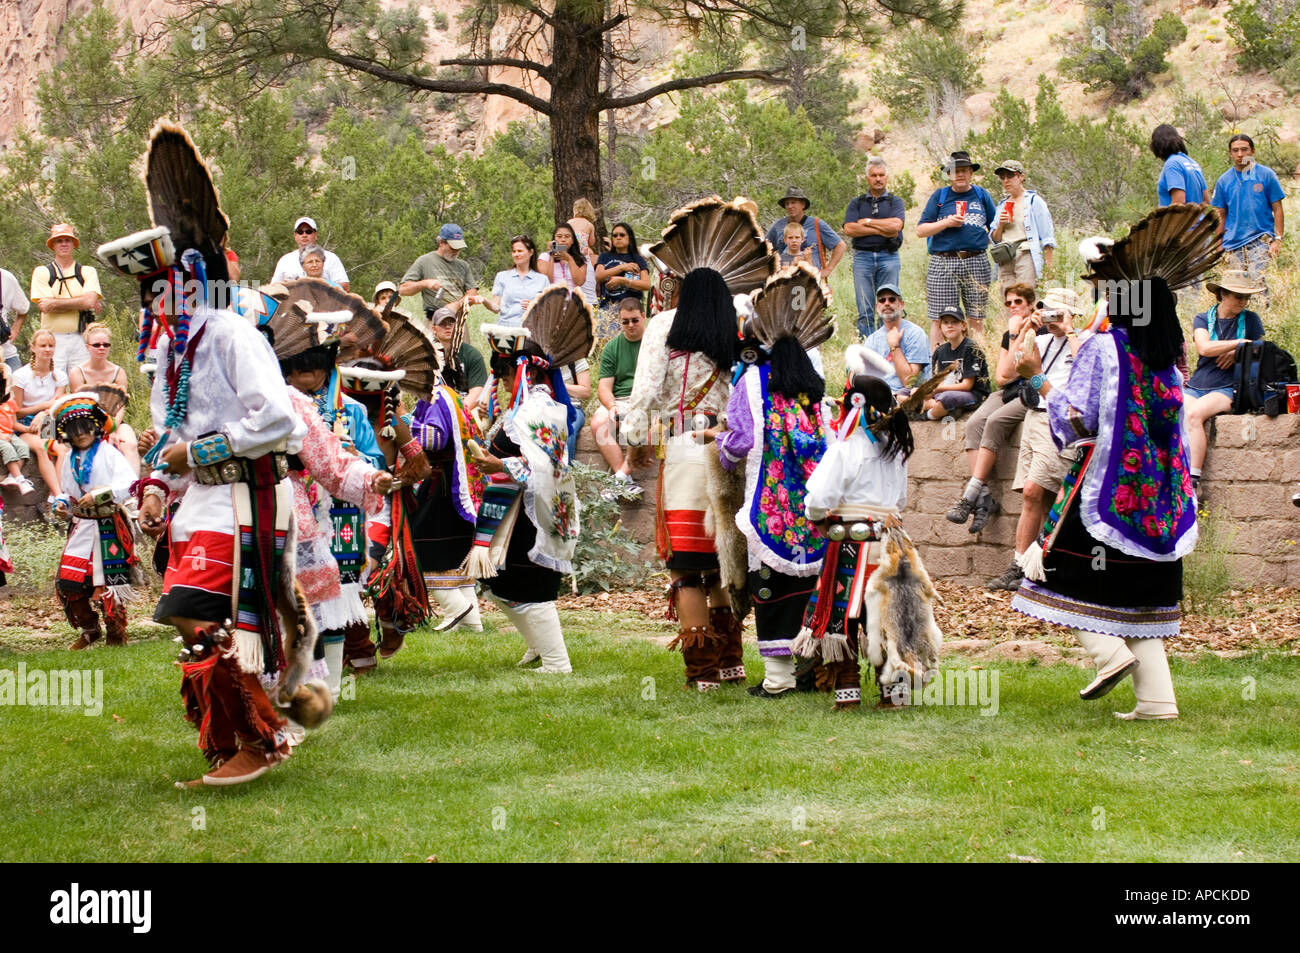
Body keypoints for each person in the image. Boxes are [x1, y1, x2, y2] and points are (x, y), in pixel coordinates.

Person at [1012, 272, 1197, 721]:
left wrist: (1036, 378)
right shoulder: (1169, 359)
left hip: (1106, 489)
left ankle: (1107, 653)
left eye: (1110, 295)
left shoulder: (1105, 347)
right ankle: (1156, 700)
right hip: (1160, 501)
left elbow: (1077, 420)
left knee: (1054, 572)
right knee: (1137, 595)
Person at [625, 268, 746, 689]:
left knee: (687, 568)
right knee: (719, 564)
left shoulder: (664, 326)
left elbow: (645, 392)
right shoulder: (735, 334)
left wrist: (634, 437)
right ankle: (731, 662)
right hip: (731, 454)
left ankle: (702, 672)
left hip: (686, 449)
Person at [462, 294, 589, 674]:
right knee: (499, 583)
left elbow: (546, 465)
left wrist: (497, 462)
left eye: (503, 374)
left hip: (533, 514)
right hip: (512, 510)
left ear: (524, 372)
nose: (499, 381)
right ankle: (538, 646)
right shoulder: (520, 408)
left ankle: (557, 662)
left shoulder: (540, 407)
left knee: (529, 584)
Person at [717, 311, 829, 699]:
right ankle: (814, 673)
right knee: (809, 589)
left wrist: (722, 454)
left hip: (771, 506)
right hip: (815, 507)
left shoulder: (752, 382)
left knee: (770, 585)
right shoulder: (813, 388)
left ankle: (778, 680)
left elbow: (740, 440)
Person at [793, 370, 912, 709]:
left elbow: (817, 498)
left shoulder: (845, 450)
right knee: (886, 615)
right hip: (890, 542)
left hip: (851, 542)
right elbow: (900, 502)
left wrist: (818, 520)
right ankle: (894, 692)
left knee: (842, 615)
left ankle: (847, 692)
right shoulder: (896, 450)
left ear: (854, 405)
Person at [987, 288, 1088, 591]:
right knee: (1035, 496)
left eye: (1058, 312)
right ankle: (1028, 565)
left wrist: (1069, 329)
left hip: (1059, 419)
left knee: (1037, 490)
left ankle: (1032, 564)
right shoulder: (1040, 340)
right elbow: (1005, 373)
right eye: (1048, 311)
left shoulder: (1084, 340)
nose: (1052, 318)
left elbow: (1085, 370)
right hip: (1035, 414)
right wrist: (1027, 330)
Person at [48, 393, 139, 650]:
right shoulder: (69, 459)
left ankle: (116, 632)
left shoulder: (109, 453)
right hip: (81, 526)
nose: (81, 434)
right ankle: (90, 630)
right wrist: (62, 503)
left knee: (110, 583)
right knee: (68, 582)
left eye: (86, 428)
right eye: (75, 431)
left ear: (96, 426)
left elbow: (131, 484)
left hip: (108, 524)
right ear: (67, 434)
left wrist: (99, 494)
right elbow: (66, 490)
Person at [946, 283, 1036, 535]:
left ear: (1030, 304)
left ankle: (970, 495)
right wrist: (1014, 335)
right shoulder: (1011, 333)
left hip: (1031, 391)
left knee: (995, 421)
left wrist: (1019, 335)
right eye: (1008, 303)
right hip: (1009, 390)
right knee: (975, 423)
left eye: (1018, 302)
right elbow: (1002, 376)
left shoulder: (1038, 331)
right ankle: (985, 498)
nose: (1013, 307)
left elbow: (1018, 372)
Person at [1183, 271, 1267, 495]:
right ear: (1223, 294)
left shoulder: (1251, 319)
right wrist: (1238, 344)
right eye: (1238, 296)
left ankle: (1193, 481)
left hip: (1230, 385)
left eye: (1246, 297)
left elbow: (1258, 350)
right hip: (1199, 382)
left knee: (1194, 415)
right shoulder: (1203, 318)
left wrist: (1239, 351)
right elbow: (1204, 348)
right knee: (1175, 414)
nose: (1243, 301)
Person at [916, 151, 997, 348]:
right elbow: (921, 230)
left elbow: (995, 229)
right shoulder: (940, 196)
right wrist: (946, 223)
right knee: (940, 319)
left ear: (971, 173)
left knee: (976, 317)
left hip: (976, 260)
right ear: (949, 174)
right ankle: (938, 366)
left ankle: (978, 364)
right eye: (955, 171)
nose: (960, 175)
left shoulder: (981, 195)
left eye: (964, 171)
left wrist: (982, 240)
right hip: (944, 261)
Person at [1211, 134, 1286, 313]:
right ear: (1230, 154)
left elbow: (1277, 208)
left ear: (1252, 151)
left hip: (1260, 239)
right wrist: (1218, 245)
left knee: (1256, 279)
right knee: (1236, 287)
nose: (1240, 154)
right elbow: (1220, 214)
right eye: (1235, 150)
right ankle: (1242, 323)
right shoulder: (1224, 180)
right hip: (1233, 242)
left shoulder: (1266, 175)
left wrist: (1278, 239)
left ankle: (1263, 318)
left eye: (1244, 149)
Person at [590, 297, 649, 496]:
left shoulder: (655, 343)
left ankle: (620, 479)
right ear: (620, 321)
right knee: (598, 423)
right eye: (625, 321)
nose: (630, 325)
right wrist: (611, 406)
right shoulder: (612, 347)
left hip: (648, 401)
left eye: (634, 320)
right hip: (621, 400)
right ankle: (626, 482)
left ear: (643, 316)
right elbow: (604, 387)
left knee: (651, 426)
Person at [843, 158, 905, 338]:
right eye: (874, 175)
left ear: (887, 177)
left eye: (881, 175)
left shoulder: (895, 202)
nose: (878, 179)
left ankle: (889, 345)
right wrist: (883, 228)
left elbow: (896, 227)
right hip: (863, 258)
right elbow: (849, 229)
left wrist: (868, 222)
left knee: (889, 304)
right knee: (865, 307)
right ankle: (868, 347)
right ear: (867, 178)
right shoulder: (857, 203)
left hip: (889, 257)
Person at [30, 223, 103, 375]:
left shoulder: (87, 272)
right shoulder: (42, 272)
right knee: (54, 383)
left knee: (83, 383)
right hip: (52, 340)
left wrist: (54, 302)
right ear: (53, 246)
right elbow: (45, 307)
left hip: (81, 339)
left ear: (73, 244)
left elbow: (88, 302)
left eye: (67, 240)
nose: (64, 244)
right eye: (59, 240)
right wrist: (80, 302)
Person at [67, 322, 139, 473]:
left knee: (130, 444)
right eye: (97, 345)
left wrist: (112, 428)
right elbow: (80, 406)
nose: (102, 348)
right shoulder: (77, 372)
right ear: (87, 347)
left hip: (115, 420)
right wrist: (102, 429)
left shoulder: (118, 372)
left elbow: (121, 405)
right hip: (87, 421)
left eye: (106, 345)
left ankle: (133, 490)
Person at [10, 328, 65, 497]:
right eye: (43, 345)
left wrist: (44, 412)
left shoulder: (60, 376)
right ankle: (57, 494)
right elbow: (17, 411)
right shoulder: (20, 375)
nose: (47, 349)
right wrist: (44, 405)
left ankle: (54, 496)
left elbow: (57, 403)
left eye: (51, 345)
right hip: (25, 423)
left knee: (61, 449)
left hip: (48, 419)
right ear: (33, 348)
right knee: (42, 447)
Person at [990, 160, 1055, 290]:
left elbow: (1047, 237)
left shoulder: (1033, 201)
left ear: (1021, 177)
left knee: (1025, 295)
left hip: (1025, 254)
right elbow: (995, 239)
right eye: (1002, 177)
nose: (1006, 181)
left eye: (1010, 176)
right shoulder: (1002, 205)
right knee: (1008, 299)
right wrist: (1001, 225)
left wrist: (1049, 267)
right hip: (1005, 256)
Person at [400, 224, 482, 321]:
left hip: (458, 320)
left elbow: (473, 293)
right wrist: (425, 283)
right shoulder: (425, 261)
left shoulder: (463, 266)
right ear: (441, 243)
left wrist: (457, 305)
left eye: (459, 248)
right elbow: (403, 290)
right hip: (434, 320)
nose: (456, 251)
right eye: (453, 247)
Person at [861, 284, 930, 397]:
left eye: (892, 299)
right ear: (877, 307)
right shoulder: (872, 340)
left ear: (901, 305)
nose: (886, 303)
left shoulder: (916, 334)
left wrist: (894, 346)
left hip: (907, 395)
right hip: (879, 395)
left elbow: (909, 382)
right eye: (882, 300)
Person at [921, 307, 989, 420]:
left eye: (954, 322)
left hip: (973, 393)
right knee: (907, 392)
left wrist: (937, 390)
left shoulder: (970, 348)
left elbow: (967, 385)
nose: (949, 325)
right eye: (946, 322)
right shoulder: (941, 350)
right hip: (947, 391)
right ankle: (948, 409)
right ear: (940, 327)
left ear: (963, 325)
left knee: (946, 399)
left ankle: (926, 415)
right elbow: (940, 381)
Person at [765, 187, 846, 279]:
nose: (790, 206)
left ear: (802, 204)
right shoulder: (778, 226)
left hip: (812, 282)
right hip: (784, 282)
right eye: (787, 204)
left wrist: (827, 270)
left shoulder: (817, 224)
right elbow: (764, 249)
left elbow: (840, 245)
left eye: (793, 202)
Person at [429, 306, 488, 420]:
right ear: (434, 329)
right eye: (442, 324)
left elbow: (476, 392)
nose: (447, 327)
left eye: (451, 323)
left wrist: (456, 414)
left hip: (466, 407)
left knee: (481, 418)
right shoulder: (427, 356)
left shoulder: (472, 354)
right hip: (437, 409)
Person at [594, 223, 650, 339]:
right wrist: (622, 268)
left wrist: (622, 281)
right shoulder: (605, 257)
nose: (618, 237)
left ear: (629, 238)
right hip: (608, 309)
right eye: (614, 235)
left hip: (631, 309)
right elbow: (599, 276)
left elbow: (646, 284)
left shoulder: (637, 259)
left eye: (622, 235)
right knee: (606, 344)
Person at [484, 235, 548, 328]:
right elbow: (496, 308)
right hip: (506, 332)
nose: (516, 254)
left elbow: (548, 310)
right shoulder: (502, 276)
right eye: (514, 251)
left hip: (532, 332)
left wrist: (534, 306)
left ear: (531, 252)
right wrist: (484, 301)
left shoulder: (542, 280)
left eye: (520, 251)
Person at [271, 216, 350, 289]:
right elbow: (273, 287)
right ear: (295, 235)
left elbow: (345, 286)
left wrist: (313, 285)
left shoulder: (331, 258)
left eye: (308, 231)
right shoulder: (285, 260)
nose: (304, 235)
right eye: (300, 232)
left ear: (315, 235)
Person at [1151, 124, 1210, 207]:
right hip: (1197, 219)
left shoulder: (1172, 164)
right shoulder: (1192, 163)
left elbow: (1179, 202)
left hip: (1178, 219)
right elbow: (1206, 201)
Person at [0, 365, 36, 496]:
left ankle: (12, 476)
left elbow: (14, 424)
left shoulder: (9, 402)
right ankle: (20, 479)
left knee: (23, 447)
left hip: (9, 434)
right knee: (7, 448)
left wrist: (29, 430)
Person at [536, 223, 589, 297]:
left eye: (567, 236)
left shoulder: (580, 259)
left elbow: (579, 282)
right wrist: (552, 256)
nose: (563, 240)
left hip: (573, 302)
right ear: (554, 240)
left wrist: (570, 259)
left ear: (572, 241)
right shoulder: (545, 257)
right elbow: (547, 281)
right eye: (559, 236)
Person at [569, 198, 601, 304]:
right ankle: (590, 302)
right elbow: (591, 242)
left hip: (571, 254)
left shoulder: (569, 222)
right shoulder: (589, 225)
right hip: (583, 255)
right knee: (588, 281)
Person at [2, 266, 31, 373]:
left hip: (5, 354)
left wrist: (15, 329)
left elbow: (23, 309)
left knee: (17, 385)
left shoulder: (6, 278)